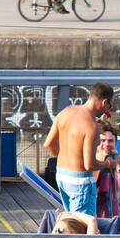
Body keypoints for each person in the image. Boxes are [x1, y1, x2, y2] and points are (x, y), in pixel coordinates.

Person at [44, 82, 114, 214]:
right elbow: (89, 164)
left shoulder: (65, 112)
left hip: (61, 175)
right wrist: (108, 163)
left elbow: (48, 144)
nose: (108, 110)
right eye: (110, 106)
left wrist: (65, 158)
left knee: (71, 223)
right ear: (105, 102)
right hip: (80, 182)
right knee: (82, 229)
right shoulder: (92, 125)